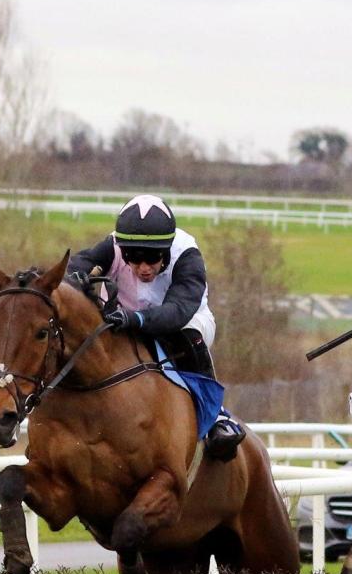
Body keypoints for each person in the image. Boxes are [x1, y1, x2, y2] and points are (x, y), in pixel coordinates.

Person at [66, 194, 244, 461]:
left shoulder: (186, 254)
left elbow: (177, 311)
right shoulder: (113, 244)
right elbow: (76, 265)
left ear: (166, 250)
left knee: (187, 335)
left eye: (152, 258)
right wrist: (75, 278)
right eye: (134, 259)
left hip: (182, 322)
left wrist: (135, 319)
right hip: (122, 317)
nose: (143, 268)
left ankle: (215, 417)